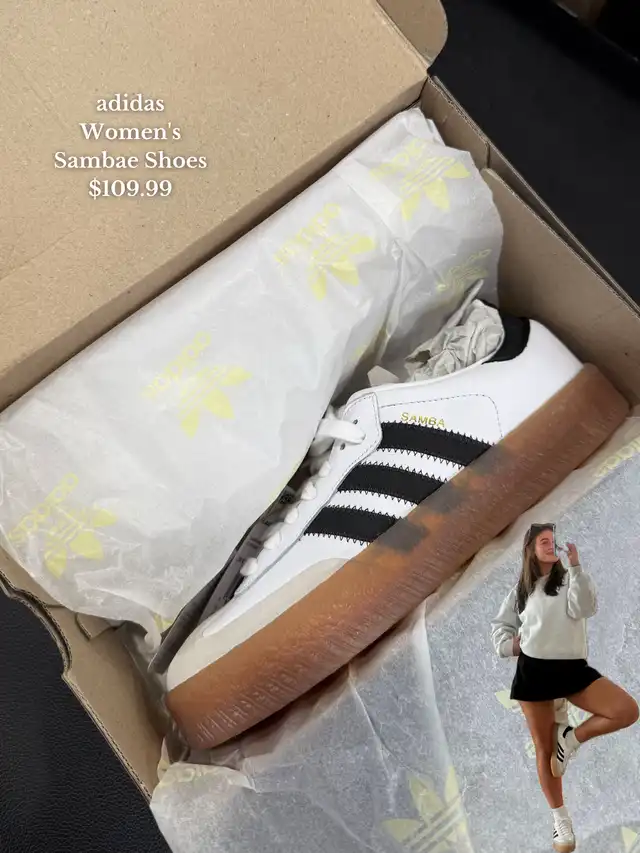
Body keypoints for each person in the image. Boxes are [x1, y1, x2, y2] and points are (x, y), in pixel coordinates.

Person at [490, 523, 638, 853]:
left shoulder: (571, 579)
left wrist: (577, 566)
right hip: (534, 672)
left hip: (571, 669)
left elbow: (585, 608)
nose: (550, 545)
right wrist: (513, 646)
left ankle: (570, 738)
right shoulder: (520, 592)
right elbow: (500, 629)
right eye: (543, 541)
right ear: (530, 550)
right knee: (544, 751)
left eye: (552, 541)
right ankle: (561, 822)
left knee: (626, 711)